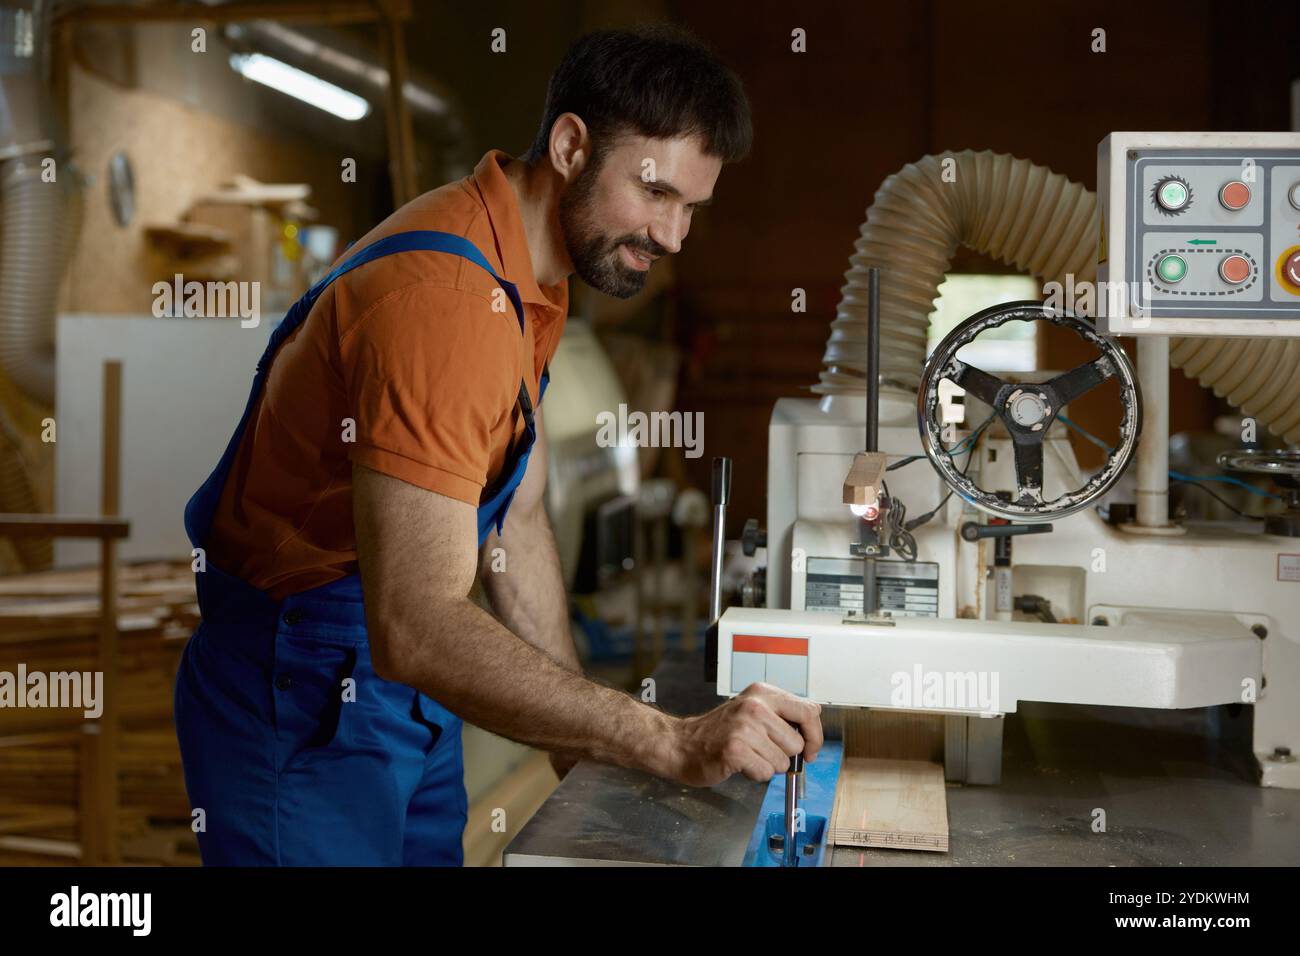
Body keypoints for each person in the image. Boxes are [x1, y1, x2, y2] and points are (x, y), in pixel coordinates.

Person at [174, 24, 822, 866]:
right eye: (656, 192)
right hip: (301, 689)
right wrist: (661, 739)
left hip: (401, 692)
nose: (674, 236)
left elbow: (515, 518)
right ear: (569, 144)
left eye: (692, 206)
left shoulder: (532, 280)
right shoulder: (445, 299)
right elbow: (416, 620)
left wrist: (576, 746)